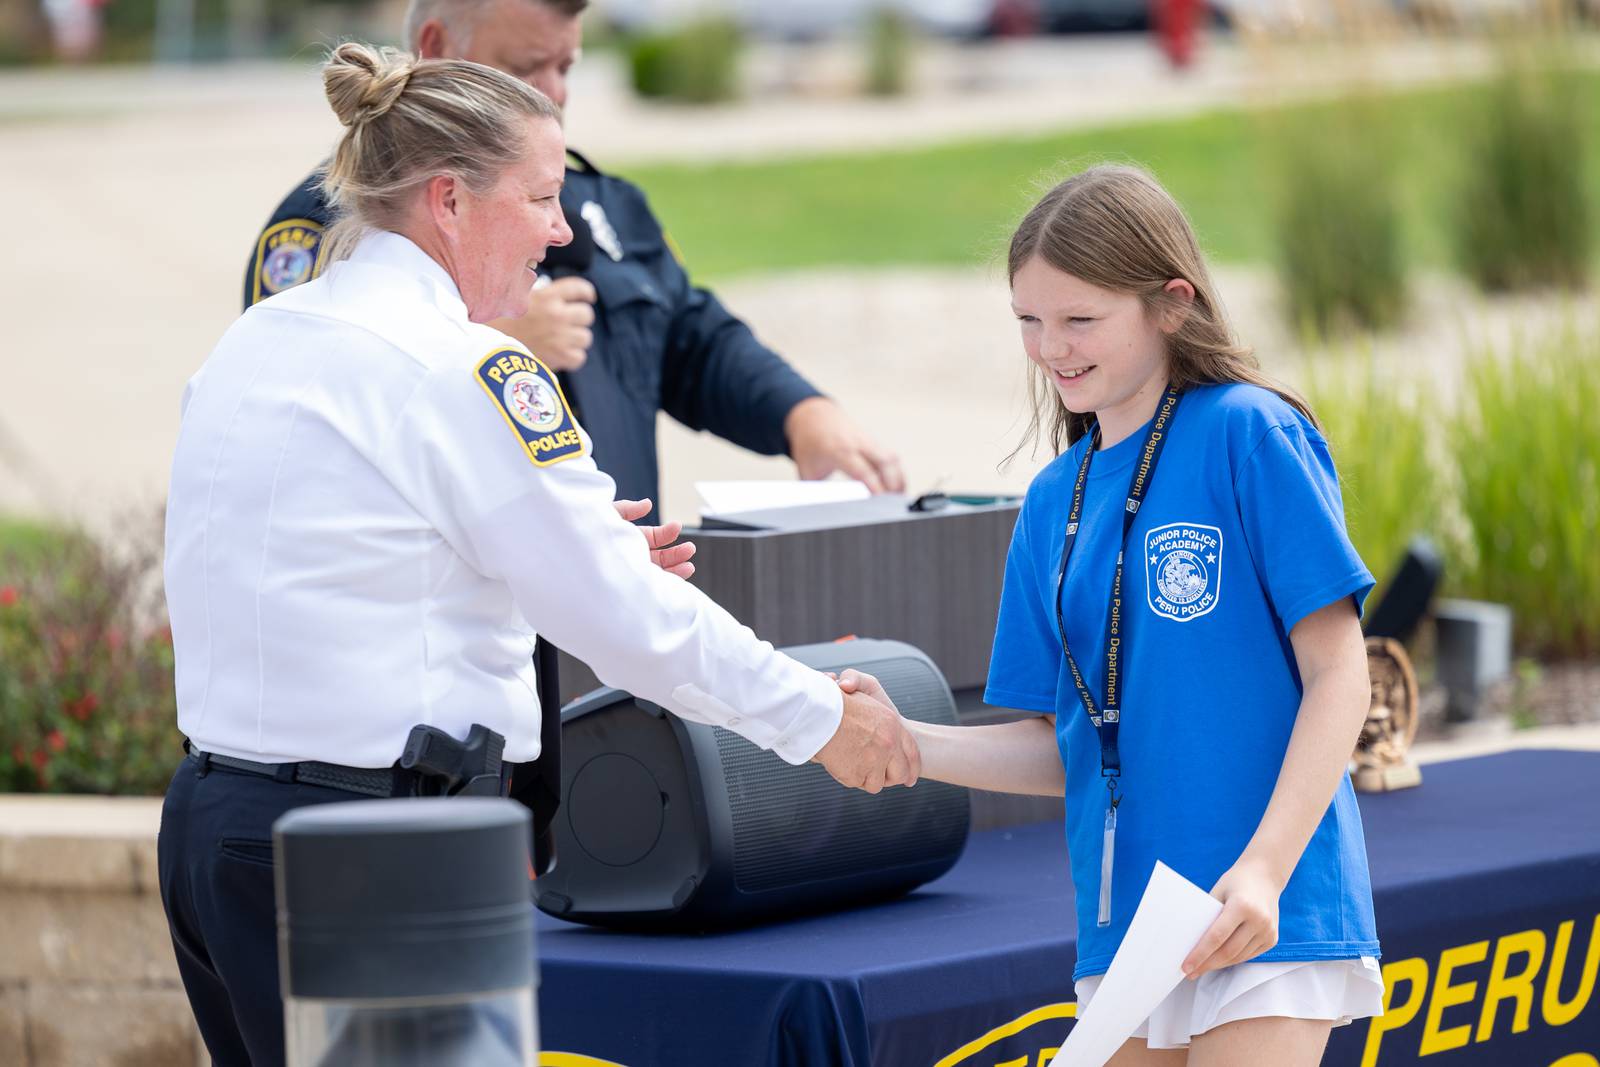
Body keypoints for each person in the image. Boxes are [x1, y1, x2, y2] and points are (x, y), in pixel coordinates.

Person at [163, 43, 919, 1067]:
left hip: (215, 826)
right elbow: (629, 621)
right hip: (376, 851)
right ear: (449, 201)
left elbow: (350, 562)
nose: (562, 232)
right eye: (541, 198)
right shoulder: (465, 367)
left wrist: (559, 557)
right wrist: (821, 719)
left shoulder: (258, 339)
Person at [842, 165, 1383, 1065]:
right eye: (1028, 321)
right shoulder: (1053, 498)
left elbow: (1341, 673)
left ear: (1172, 303)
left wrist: (1266, 868)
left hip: (1270, 912)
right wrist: (911, 742)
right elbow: (1068, 743)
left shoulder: (1251, 432)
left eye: (1079, 319)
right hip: (1127, 932)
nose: (1051, 347)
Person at [245, 0, 904, 521]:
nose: (554, 92)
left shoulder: (600, 208)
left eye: (566, 67)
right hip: (464, 641)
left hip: (616, 623)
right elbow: (297, 419)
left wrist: (801, 414)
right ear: (438, 50)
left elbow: (690, 342)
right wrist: (484, 342)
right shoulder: (338, 220)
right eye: (528, 68)